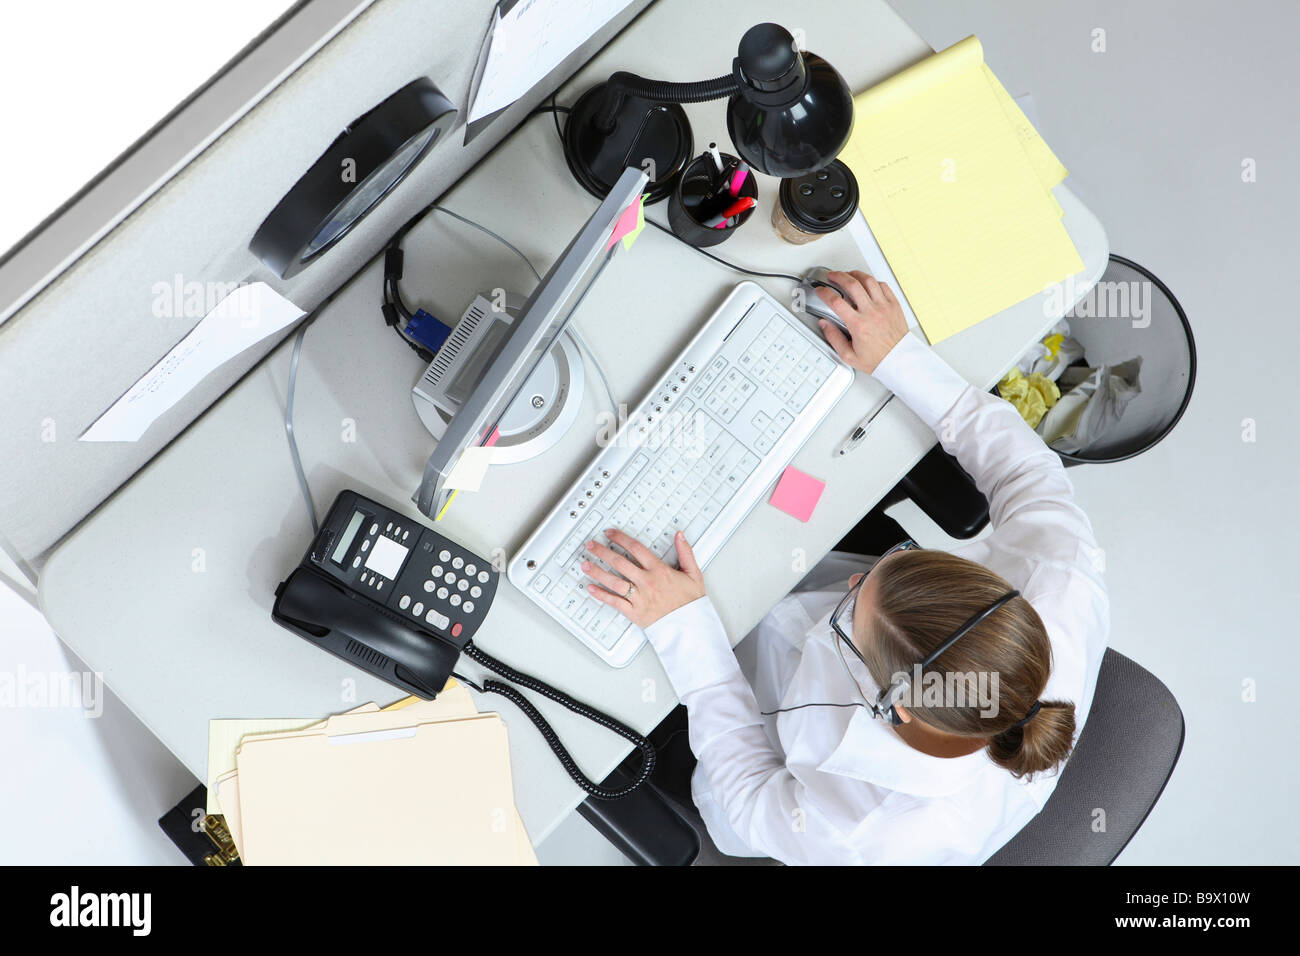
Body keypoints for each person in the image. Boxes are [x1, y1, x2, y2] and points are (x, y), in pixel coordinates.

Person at [580, 271, 1110, 865]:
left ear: (895, 705)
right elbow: (1022, 472)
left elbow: (749, 798)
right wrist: (899, 358)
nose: (855, 583)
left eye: (853, 611)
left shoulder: (878, 834)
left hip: (745, 739)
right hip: (783, 603)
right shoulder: (1059, 582)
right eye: (896, 568)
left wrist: (687, 637)